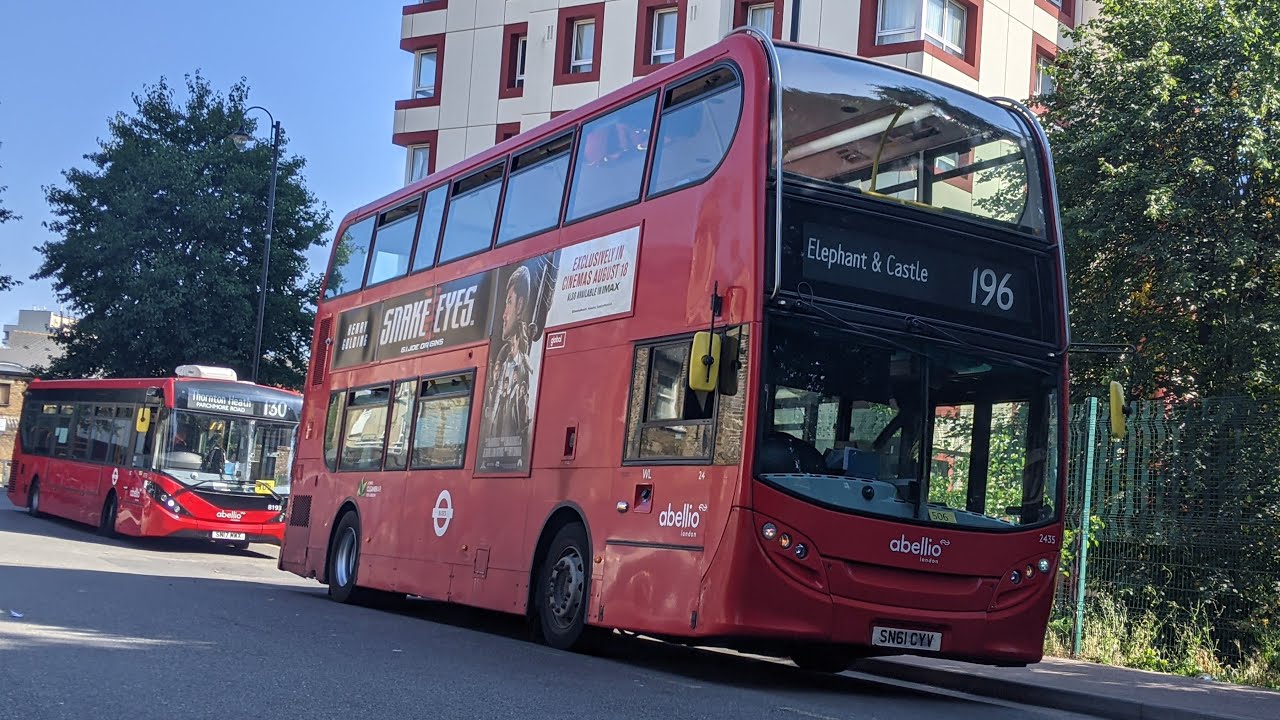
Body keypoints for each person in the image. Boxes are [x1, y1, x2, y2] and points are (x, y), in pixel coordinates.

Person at [483, 265, 534, 467]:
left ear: (520, 306)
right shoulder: (500, 362)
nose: (503, 315)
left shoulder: (525, 366)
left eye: (509, 303)